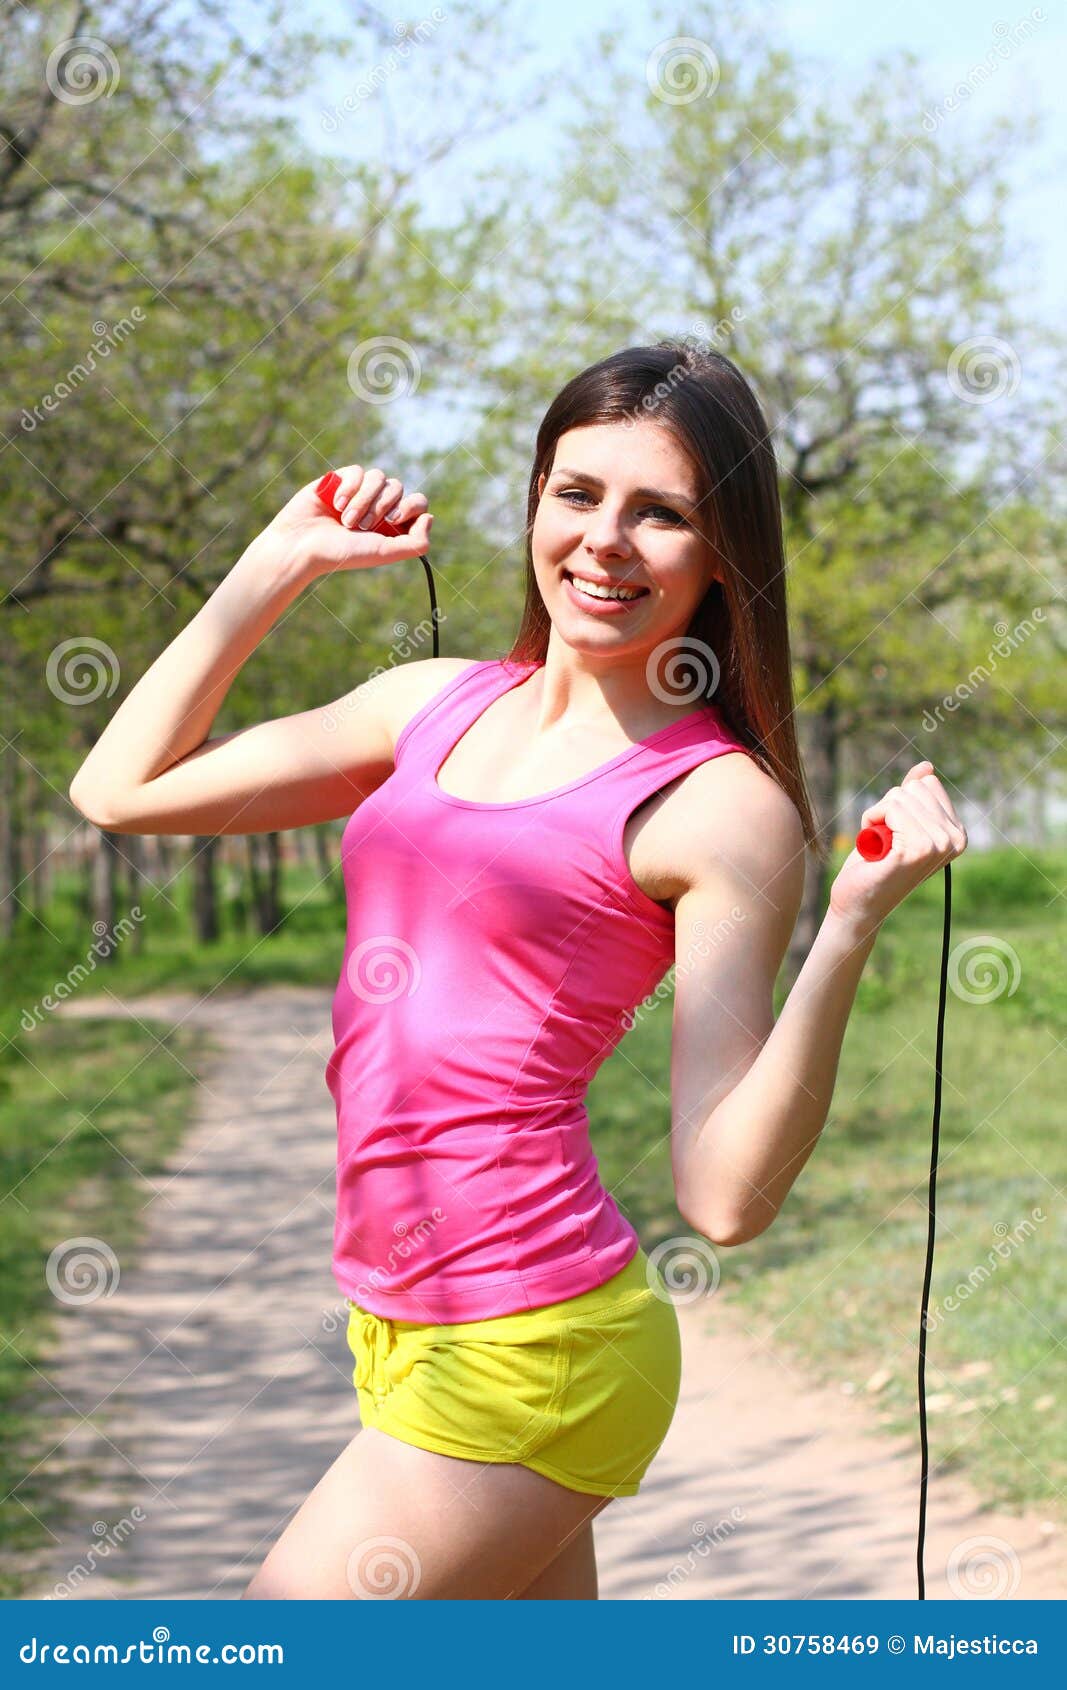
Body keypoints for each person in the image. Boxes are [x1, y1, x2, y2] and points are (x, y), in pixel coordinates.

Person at [68, 342, 968, 1600]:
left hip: (529, 1342)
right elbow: (120, 790)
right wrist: (280, 563)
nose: (605, 540)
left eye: (662, 512)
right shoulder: (428, 704)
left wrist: (852, 922)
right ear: (533, 502)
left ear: (723, 555)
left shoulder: (715, 806)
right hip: (396, 1322)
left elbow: (722, 1197)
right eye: (576, 492)